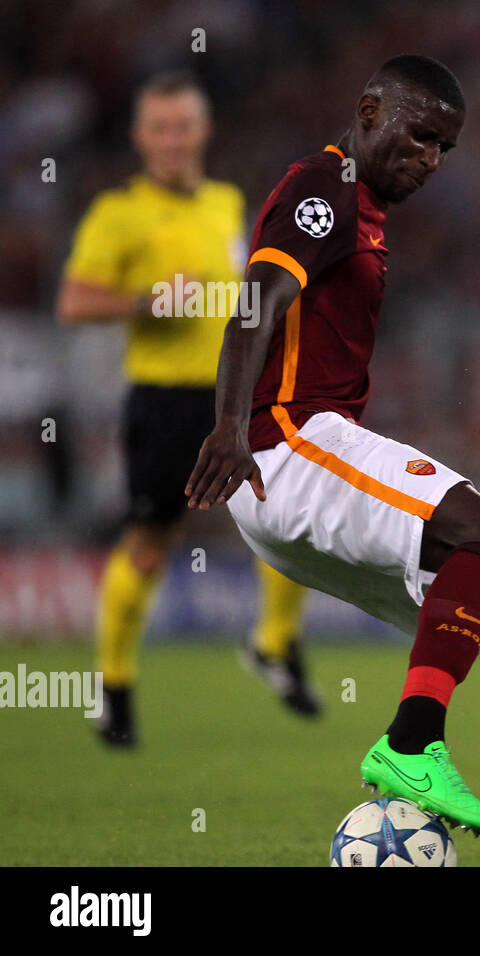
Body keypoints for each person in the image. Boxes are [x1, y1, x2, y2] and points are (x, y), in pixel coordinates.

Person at [184, 54, 480, 866]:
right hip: (287, 447)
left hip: (298, 466)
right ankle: (411, 742)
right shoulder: (321, 192)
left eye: (445, 148)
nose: (431, 159)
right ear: (370, 109)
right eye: (421, 135)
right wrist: (229, 424)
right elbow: (254, 307)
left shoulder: (362, 207)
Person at [57, 71, 314, 748]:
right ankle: (112, 690)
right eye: (160, 128)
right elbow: (76, 303)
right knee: (150, 544)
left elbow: (246, 296)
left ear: (203, 132)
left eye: (184, 126)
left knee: (290, 517)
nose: (173, 140)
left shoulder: (229, 202)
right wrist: (146, 302)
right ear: (142, 137)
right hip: (165, 403)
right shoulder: (119, 214)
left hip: (239, 392)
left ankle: (273, 645)